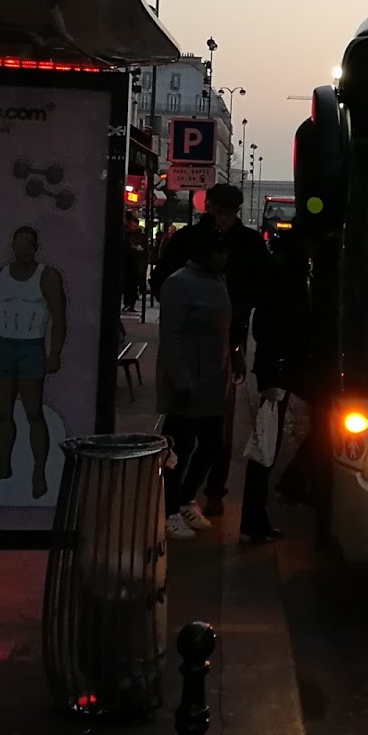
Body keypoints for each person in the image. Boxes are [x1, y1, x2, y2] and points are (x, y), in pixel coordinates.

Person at [150, 184, 270, 516]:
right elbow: (163, 284)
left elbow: (261, 284)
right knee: (184, 428)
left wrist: (237, 326)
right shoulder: (191, 244)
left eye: (228, 211)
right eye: (219, 210)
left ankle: (205, 489)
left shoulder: (245, 244)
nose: (223, 217)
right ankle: (173, 496)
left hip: (225, 339)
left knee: (215, 428)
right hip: (193, 342)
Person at [0, 226, 67, 499]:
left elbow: (59, 320)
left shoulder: (47, 276)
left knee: (34, 413)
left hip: (31, 346)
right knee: (3, 413)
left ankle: (38, 472)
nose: (21, 249)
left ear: (35, 247)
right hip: (4, 346)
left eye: (27, 244)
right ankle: (3, 465)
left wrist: (54, 353)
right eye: (17, 244)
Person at [158, 222, 233, 539]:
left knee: (212, 444)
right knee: (179, 448)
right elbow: (170, 336)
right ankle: (168, 510)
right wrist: (181, 380)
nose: (224, 257)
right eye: (219, 252)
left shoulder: (218, 279)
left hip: (215, 380)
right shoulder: (179, 284)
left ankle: (185, 498)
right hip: (188, 380)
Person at [242, 227, 317, 542]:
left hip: (285, 367)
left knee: (269, 439)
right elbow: (270, 324)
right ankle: (256, 515)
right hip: (283, 369)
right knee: (266, 442)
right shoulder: (289, 273)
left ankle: (268, 506)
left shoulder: (289, 267)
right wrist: (274, 374)